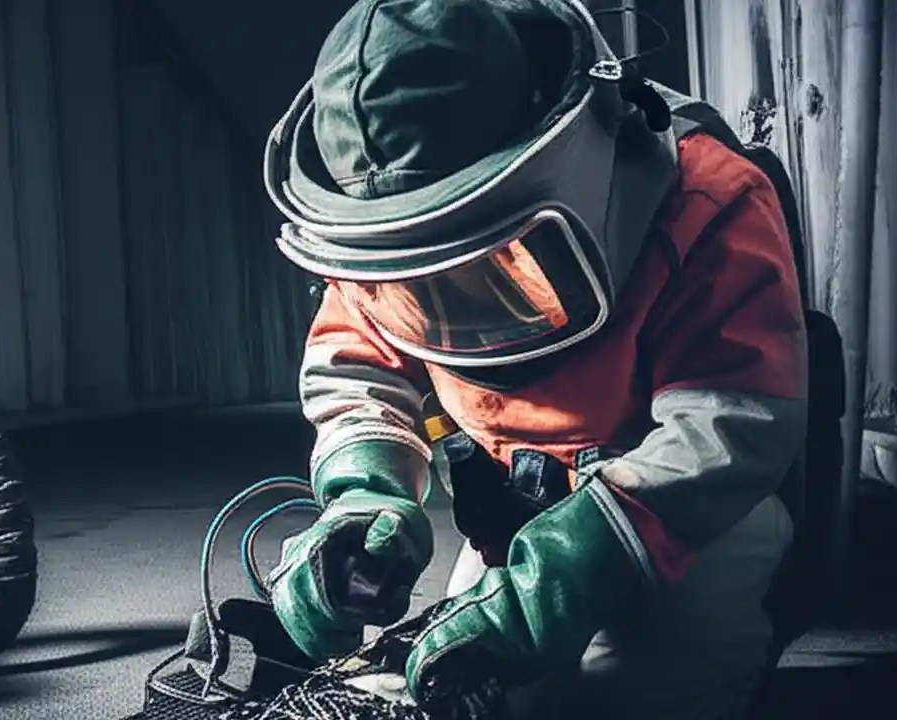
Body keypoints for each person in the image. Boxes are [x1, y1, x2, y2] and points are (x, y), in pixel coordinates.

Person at [261, 1, 808, 717]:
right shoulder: (382, 241)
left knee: (632, 699)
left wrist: (568, 574)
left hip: (691, 512)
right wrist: (367, 493)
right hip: (518, 514)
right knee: (449, 688)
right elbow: (356, 359)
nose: (450, 312)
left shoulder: (707, 199)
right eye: (414, 282)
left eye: (487, 264)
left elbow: (732, 429)